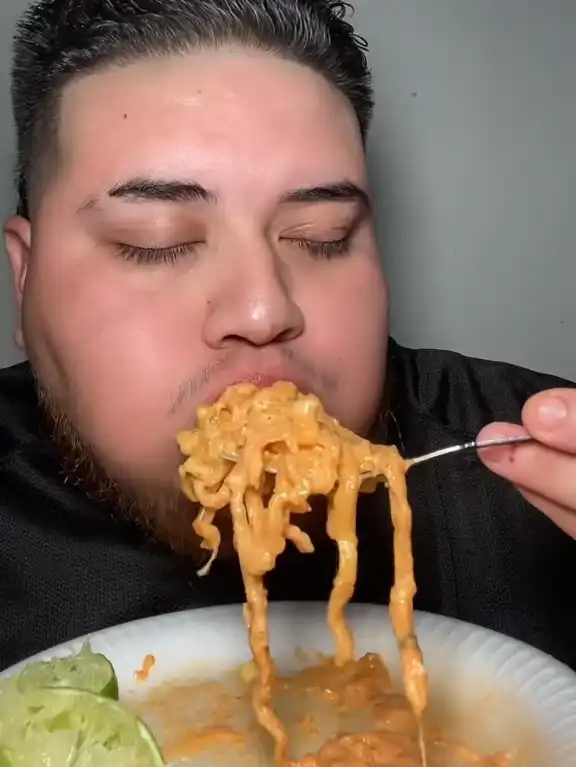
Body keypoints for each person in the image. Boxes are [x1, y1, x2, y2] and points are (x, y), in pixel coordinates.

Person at [0, 0, 574, 673]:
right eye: (155, 242)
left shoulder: (528, 464)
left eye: (322, 237)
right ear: (26, 277)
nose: (263, 308)